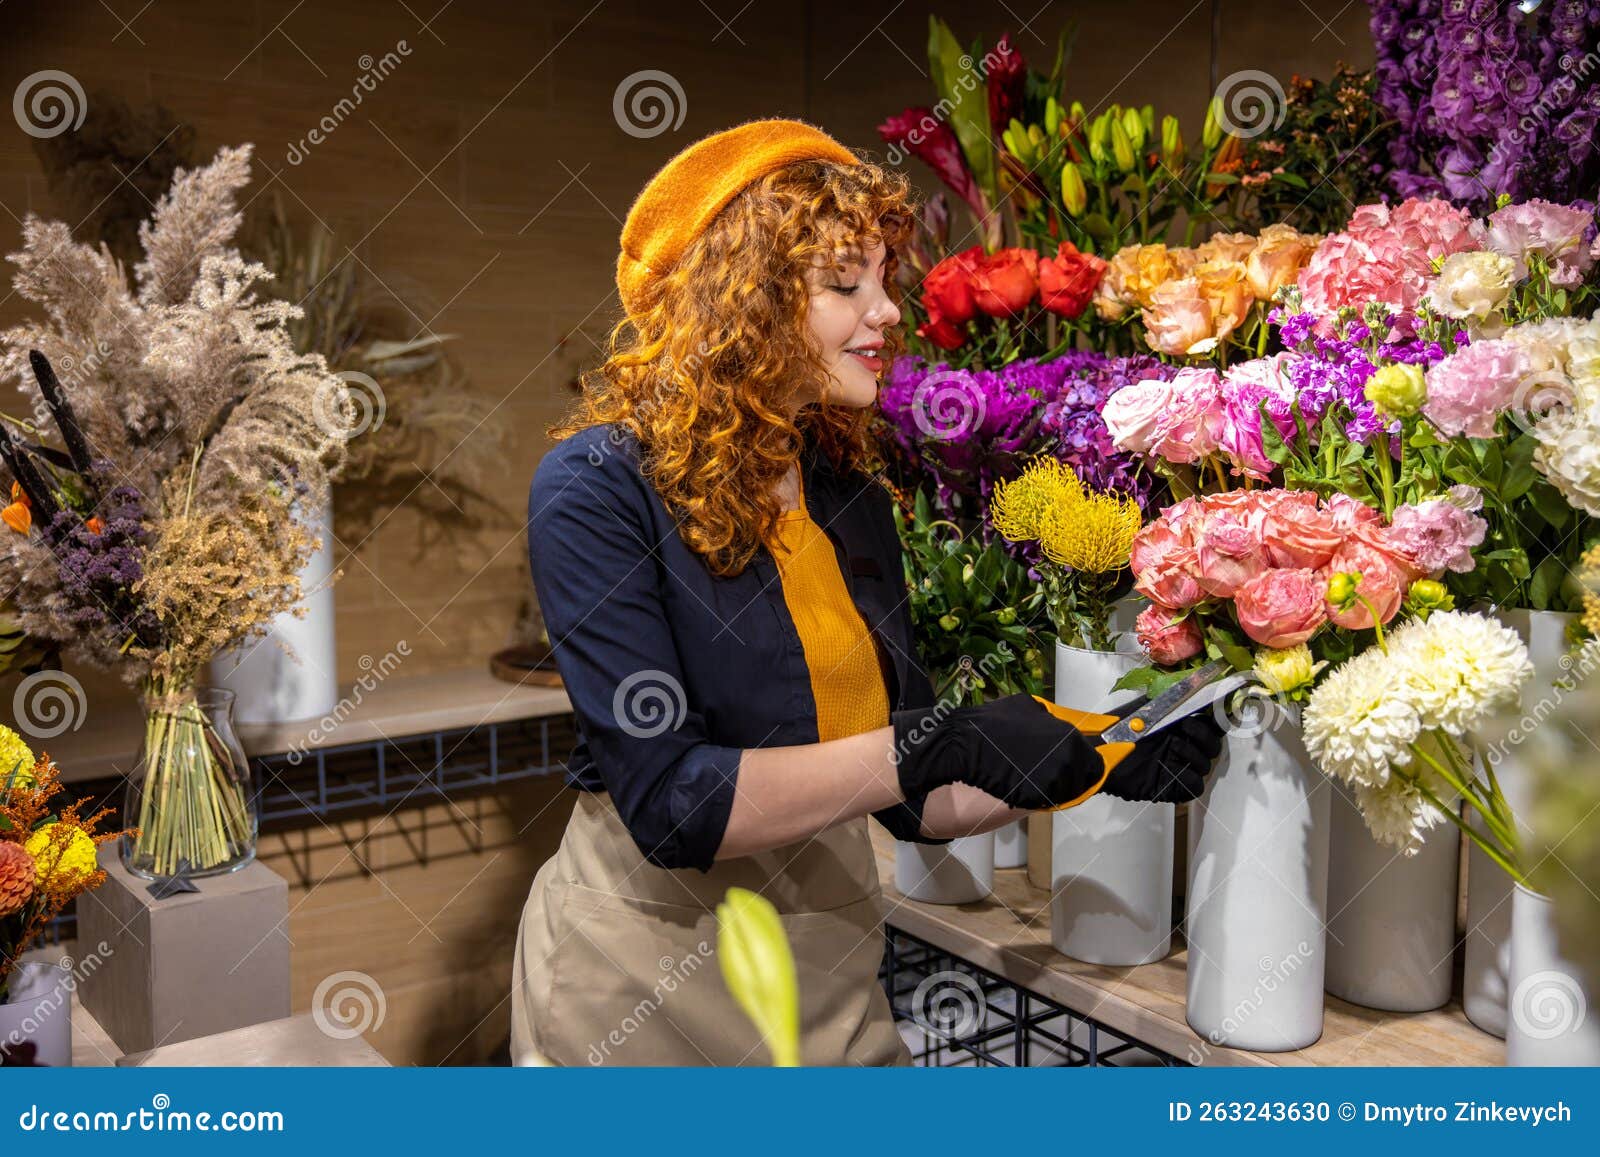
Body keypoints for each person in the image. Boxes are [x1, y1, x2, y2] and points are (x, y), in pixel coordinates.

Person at [509, 117, 1224, 1067]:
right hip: (641, 976)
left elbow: (913, 800)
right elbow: (675, 802)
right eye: (846, 284)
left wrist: (1096, 754)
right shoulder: (596, 488)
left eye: (884, 277)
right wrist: (937, 742)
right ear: (741, 304)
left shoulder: (846, 493)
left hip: (829, 966)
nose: (888, 311)